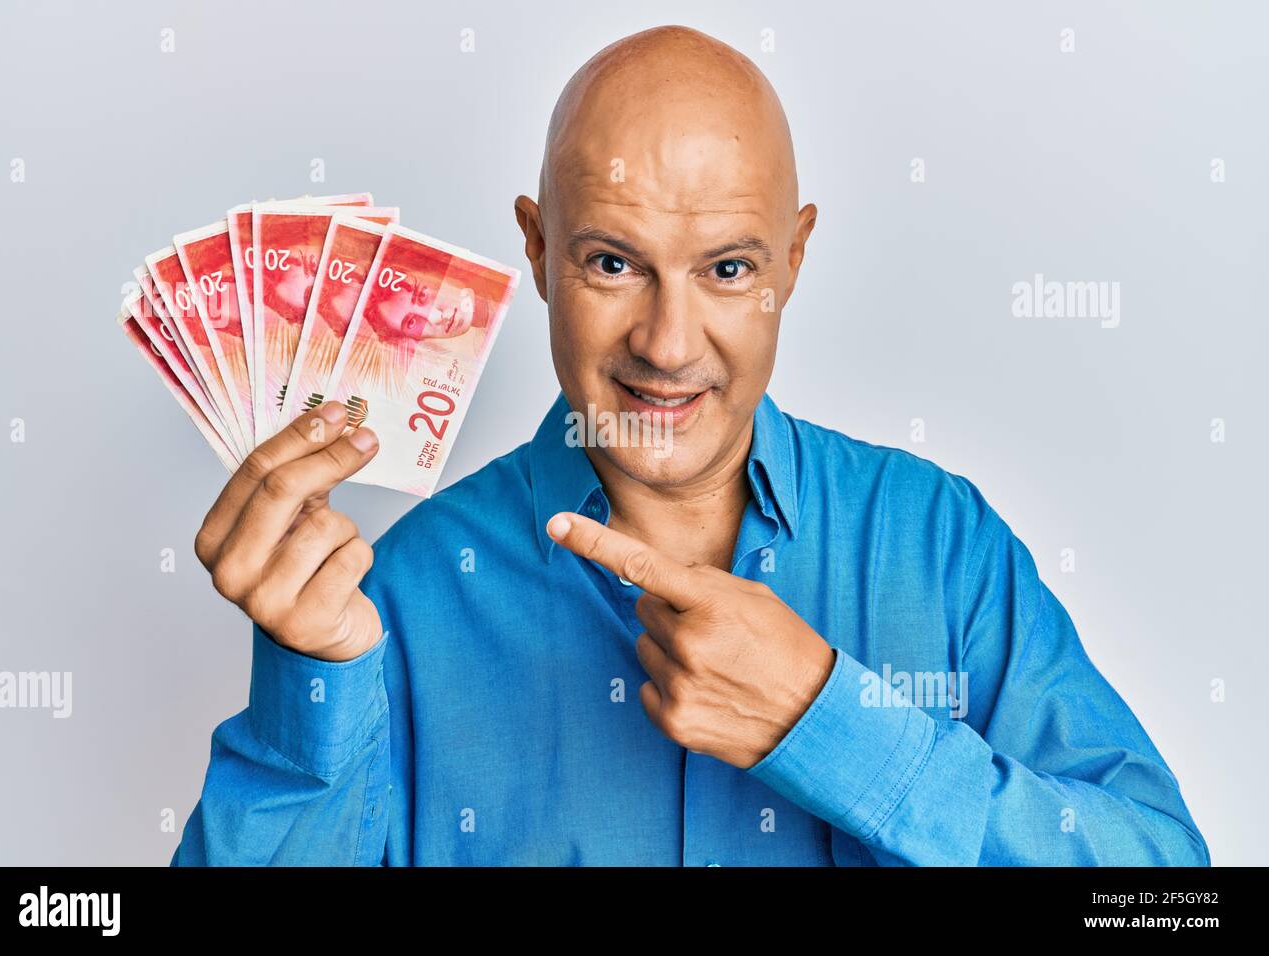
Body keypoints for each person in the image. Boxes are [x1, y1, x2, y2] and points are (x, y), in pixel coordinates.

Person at [172, 25, 1208, 866]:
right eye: (613, 262)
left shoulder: (940, 547)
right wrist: (308, 690)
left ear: (792, 261)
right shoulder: (394, 598)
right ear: (536, 250)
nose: (666, 346)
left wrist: (826, 723)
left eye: (724, 269)